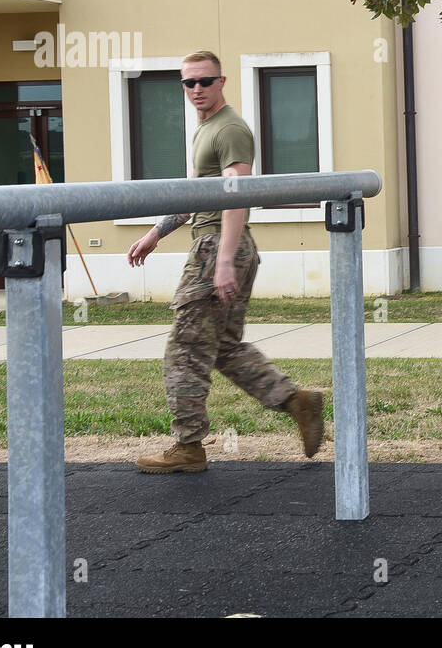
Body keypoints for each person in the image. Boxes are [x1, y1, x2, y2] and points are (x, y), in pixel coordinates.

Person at [126, 50, 324, 473]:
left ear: (222, 82)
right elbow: (196, 196)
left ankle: (188, 447)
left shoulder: (230, 128)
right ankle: (296, 401)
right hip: (217, 243)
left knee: (184, 349)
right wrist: (155, 233)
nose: (196, 89)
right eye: (188, 83)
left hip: (219, 245)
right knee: (223, 347)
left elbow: (238, 198)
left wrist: (224, 261)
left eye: (205, 81)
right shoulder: (206, 129)